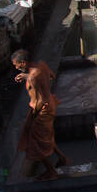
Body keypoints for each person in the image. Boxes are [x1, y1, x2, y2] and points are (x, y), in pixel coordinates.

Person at [13, 50, 68, 181]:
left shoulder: (33, 78)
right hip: (50, 102)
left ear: (23, 63)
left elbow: (38, 101)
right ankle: (62, 158)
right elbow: (51, 76)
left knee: (35, 142)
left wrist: (31, 118)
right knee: (45, 136)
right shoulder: (41, 66)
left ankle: (51, 171)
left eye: (16, 65)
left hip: (42, 109)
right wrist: (27, 76)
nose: (16, 68)